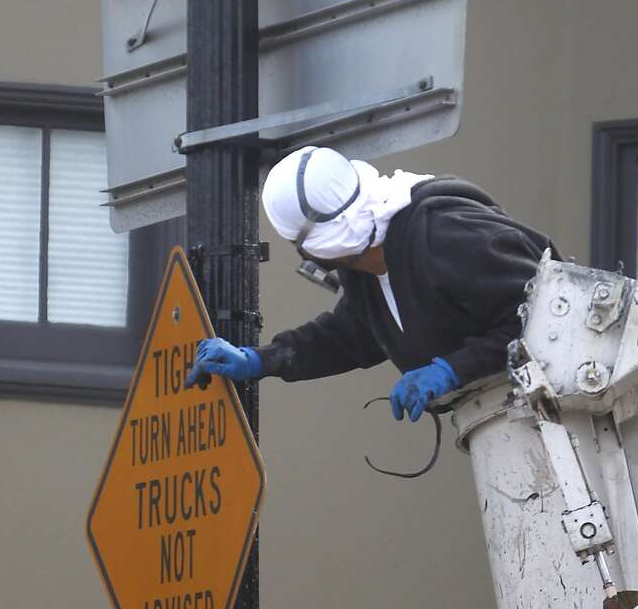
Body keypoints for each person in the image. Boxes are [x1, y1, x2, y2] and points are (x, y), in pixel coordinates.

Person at [184, 146, 558, 420]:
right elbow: (351, 334)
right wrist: (259, 360)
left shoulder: (442, 234)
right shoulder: (374, 269)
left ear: (314, 250)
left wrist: (451, 369)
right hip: (520, 417)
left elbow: (548, 315)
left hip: (569, 408)